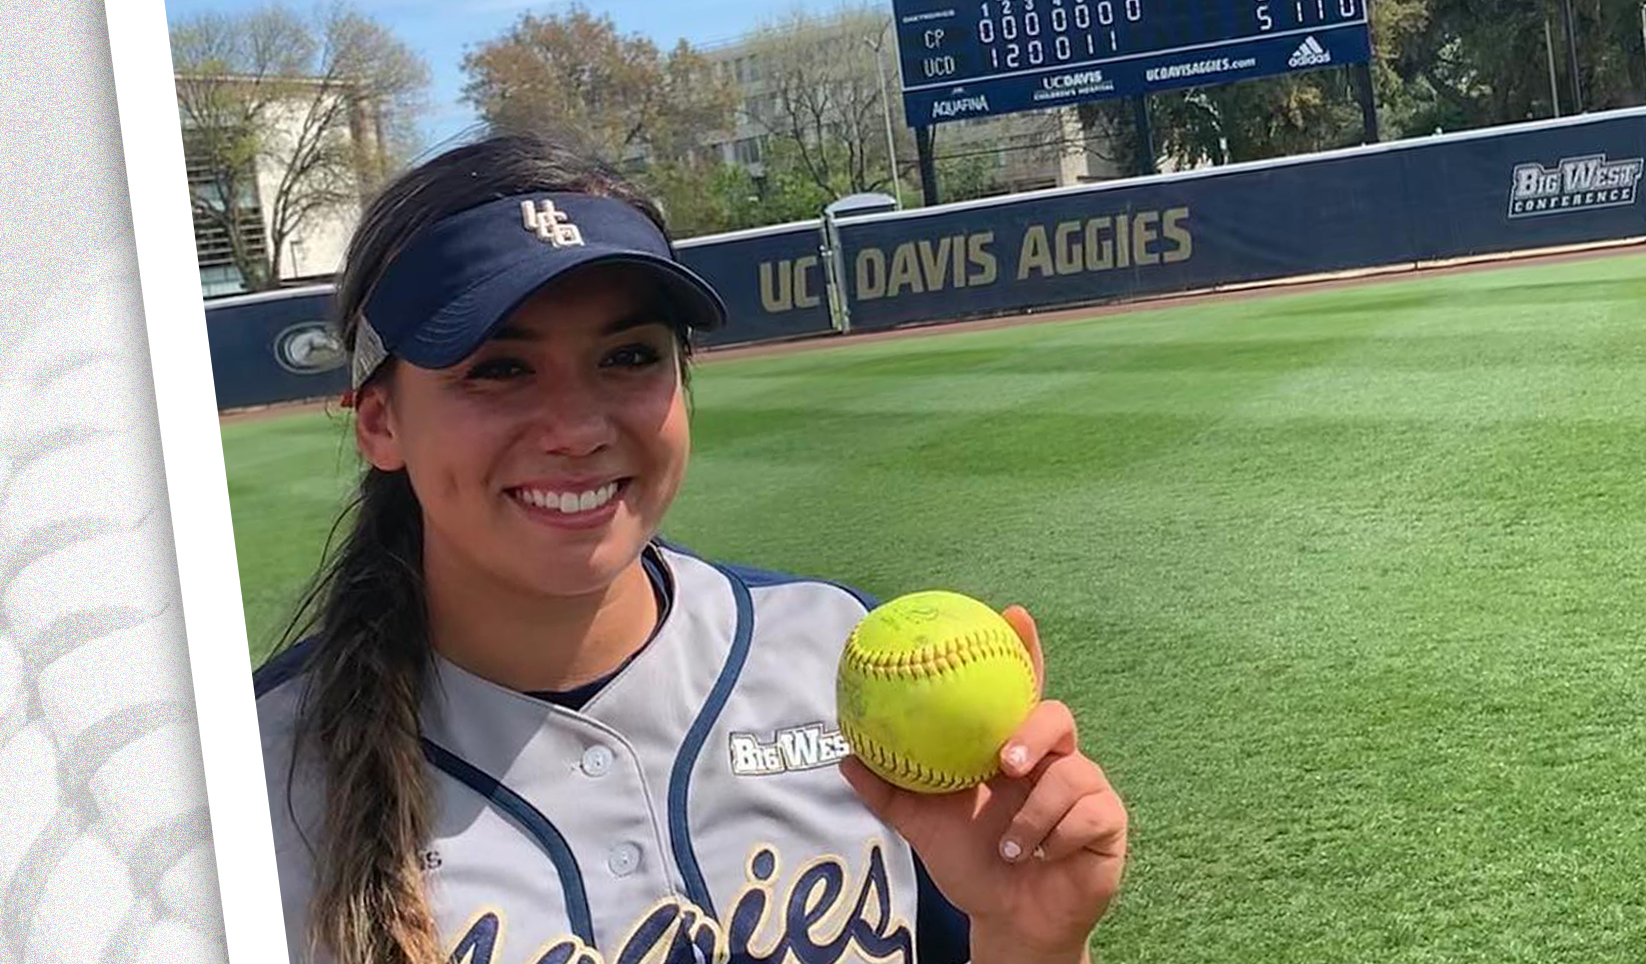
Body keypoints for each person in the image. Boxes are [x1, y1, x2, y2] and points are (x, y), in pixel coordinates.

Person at [252, 134, 1129, 964]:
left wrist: (1030, 940)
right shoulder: (255, 782)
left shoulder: (830, 654)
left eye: (629, 356)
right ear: (380, 421)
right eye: (500, 369)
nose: (580, 429)